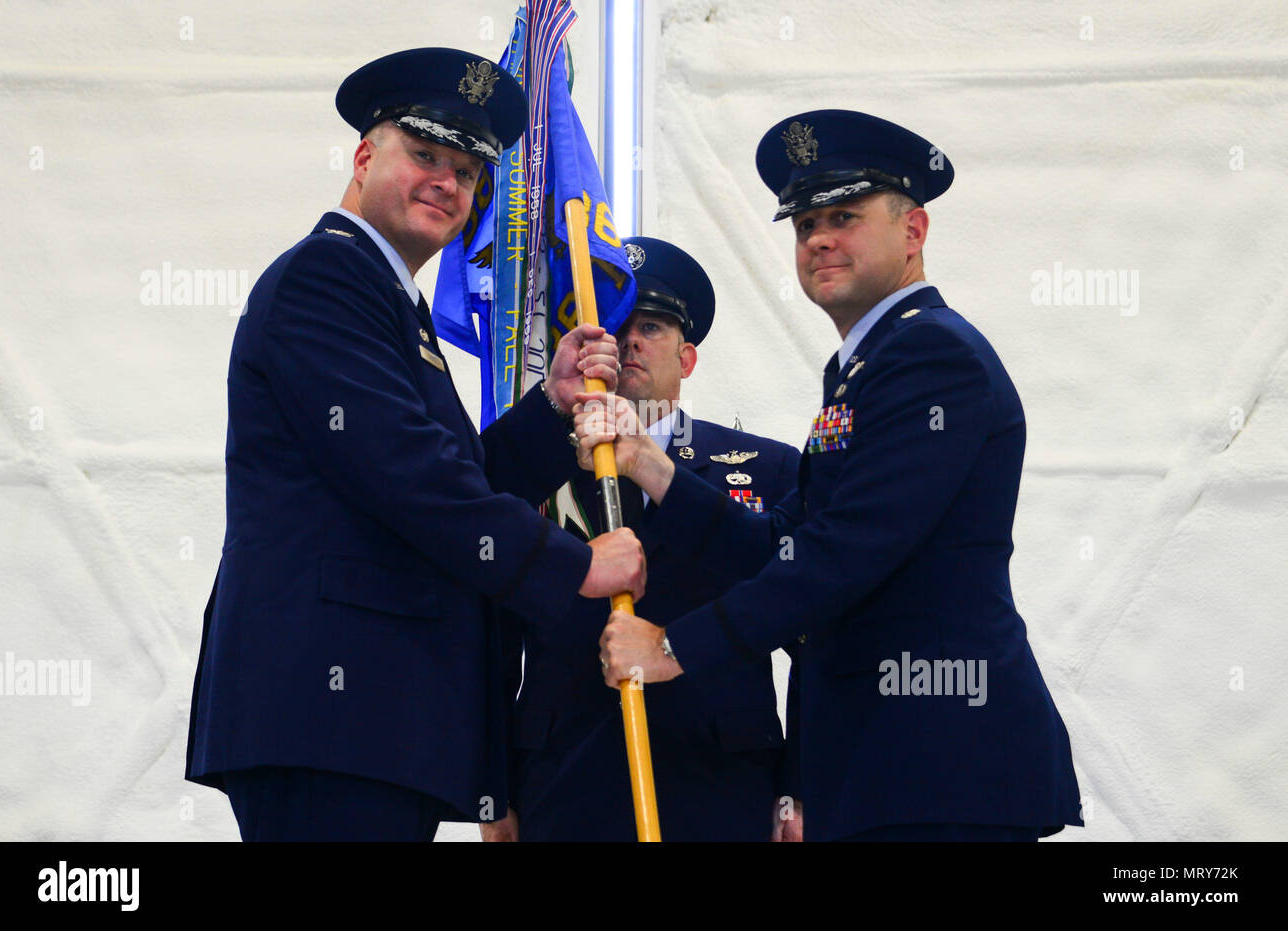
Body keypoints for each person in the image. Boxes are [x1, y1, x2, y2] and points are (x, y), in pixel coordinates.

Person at [184, 47, 646, 842]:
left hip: (372, 715)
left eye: (468, 172)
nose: (448, 182)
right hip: (329, 711)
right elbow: (407, 473)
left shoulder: (386, 298)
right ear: (365, 157)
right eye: (424, 154)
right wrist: (574, 564)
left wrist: (551, 405)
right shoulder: (326, 279)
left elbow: (450, 471)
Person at [586, 110, 1083, 842]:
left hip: (938, 761)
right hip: (879, 764)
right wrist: (651, 465)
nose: (818, 238)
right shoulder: (865, 366)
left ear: (913, 231)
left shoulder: (931, 357)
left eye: (844, 216)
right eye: (804, 223)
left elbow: (845, 553)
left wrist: (672, 647)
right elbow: (788, 542)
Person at [484, 237, 801, 842]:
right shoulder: (528, 468)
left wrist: (799, 786)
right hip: (565, 784)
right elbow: (492, 638)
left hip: (719, 782)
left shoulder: (767, 469)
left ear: (687, 359)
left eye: (649, 326)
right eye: (614, 323)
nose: (627, 339)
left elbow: (810, 633)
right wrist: (492, 794)